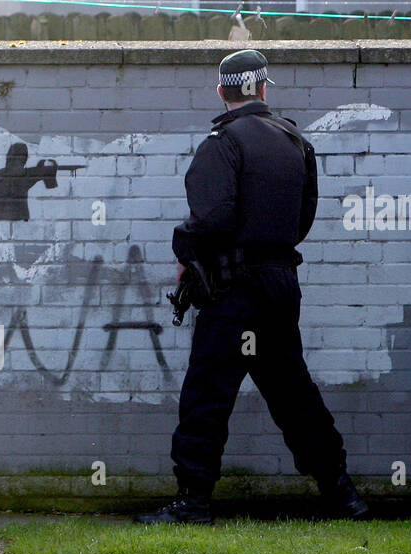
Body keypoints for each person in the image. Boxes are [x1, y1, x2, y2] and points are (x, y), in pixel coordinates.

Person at [136, 50, 367, 525]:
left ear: (223, 91)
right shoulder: (295, 141)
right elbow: (302, 220)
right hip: (281, 283)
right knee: (293, 392)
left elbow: (212, 217)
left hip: (233, 290)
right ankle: (342, 494)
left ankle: (192, 501)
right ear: (263, 88)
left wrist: (185, 250)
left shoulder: (222, 142)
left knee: (207, 393)